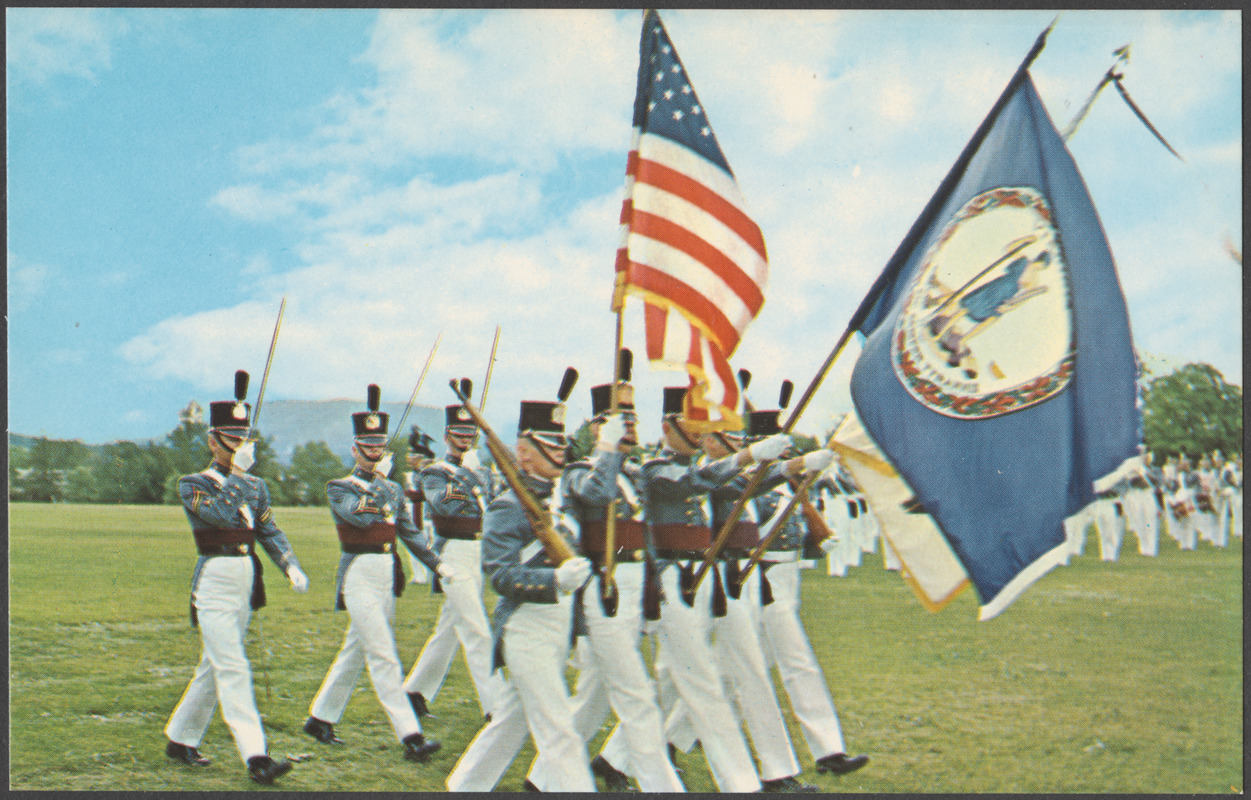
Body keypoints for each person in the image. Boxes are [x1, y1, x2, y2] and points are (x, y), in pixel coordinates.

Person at [616, 386, 786, 793]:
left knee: (706, 677)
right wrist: (747, 456)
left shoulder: (698, 471)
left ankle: (615, 760)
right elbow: (693, 482)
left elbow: (736, 489)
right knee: (702, 683)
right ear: (667, 425)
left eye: (699, 424)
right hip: (673, 583)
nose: (696, 432)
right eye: (688, 423)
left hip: (707, 579)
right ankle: (742, 783)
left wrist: (791, 468)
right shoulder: (654, 469)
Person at [525, 361, 685, 793]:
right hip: (605, 591)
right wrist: (610, 451)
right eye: (623, 419)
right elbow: (596, 494)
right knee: (637, 696)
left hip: (633, 589)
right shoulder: (579, 471)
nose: (632, 425)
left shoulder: (635, 474)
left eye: (634, 418)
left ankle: (541, 780)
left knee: (593, 698)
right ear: (599, 426)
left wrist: (653, 591)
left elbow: (644, 535)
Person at [445, 383, 597, 792]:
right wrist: (553, 580)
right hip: (525, 628)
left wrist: (579, 630)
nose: (561, 452)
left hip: (556, 629)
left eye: (563, 443)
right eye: (550, 444)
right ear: (524, 451)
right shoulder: (507, 506)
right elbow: (500, 575)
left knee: (510, 724)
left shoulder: (562, 504)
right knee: (559, 731)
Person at [164, 370, 308, 785]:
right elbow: (219, 514)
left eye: (244, 439)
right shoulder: (193, 484)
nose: (239, 447)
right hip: (213, 579)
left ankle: (180, 739)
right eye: (231, 439)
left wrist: (289, 564)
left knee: (214, 665)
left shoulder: (257, 487)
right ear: (213, 441)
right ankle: (256, 755)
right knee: (232, 666)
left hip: (247, 580)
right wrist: (238, 478)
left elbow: (268, 529)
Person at [304, 384, 451, 763]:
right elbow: (359, 515)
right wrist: (382, 487)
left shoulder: (393, 489)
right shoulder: (339, 486)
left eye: (379, 447)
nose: (374, 453)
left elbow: (410, 533)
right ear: (355, 449)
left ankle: (319, 718)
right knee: (384, 654)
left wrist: (437, 564)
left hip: (387, 574)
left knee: (356, 649)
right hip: (357, 574)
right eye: (367, 447)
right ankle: (411, 735)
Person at [691, 404, 829, 792]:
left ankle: (776, 774)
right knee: (673, 679)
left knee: (750, 672)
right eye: (728, 437)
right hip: (682, 587)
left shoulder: (731, 474)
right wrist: (753, 456)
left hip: (731, 582)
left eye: (739, 437)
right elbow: (707, 480)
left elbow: (756, 482)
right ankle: (625, 755)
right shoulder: (687, 473)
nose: (736, 443)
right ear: (704, 438)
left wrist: (793, 464)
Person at [741, 408, 869, 778]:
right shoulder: (754, 480)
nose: (784, 458)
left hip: (786, 577)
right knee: (797, 663)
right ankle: (829, 750)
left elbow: (797, 526)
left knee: (733, 673)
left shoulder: (787, 483)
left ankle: (633, 752)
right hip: (762, 580)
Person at [402, 384, 505, 722]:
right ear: (447, 435)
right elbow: (442, 503)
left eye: (470, 433)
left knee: (449, 630)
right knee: (476, 628)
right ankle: (496, 706)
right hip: (453, 554)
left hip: (480, 553)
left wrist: (476, 475)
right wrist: (468, 474)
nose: (465, 439)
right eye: (459, 434)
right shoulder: (433, 472)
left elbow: (492, 506)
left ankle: (414, 693)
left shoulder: (484, 471)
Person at [403, 425, 437, 585]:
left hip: (425, 514)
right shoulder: (415, 474)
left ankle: (424, 576)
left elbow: (423, 494)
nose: (410, 459)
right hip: (418, 513)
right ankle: (420, 575)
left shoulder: (424, 475)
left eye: (413, 456)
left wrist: (410, 494)